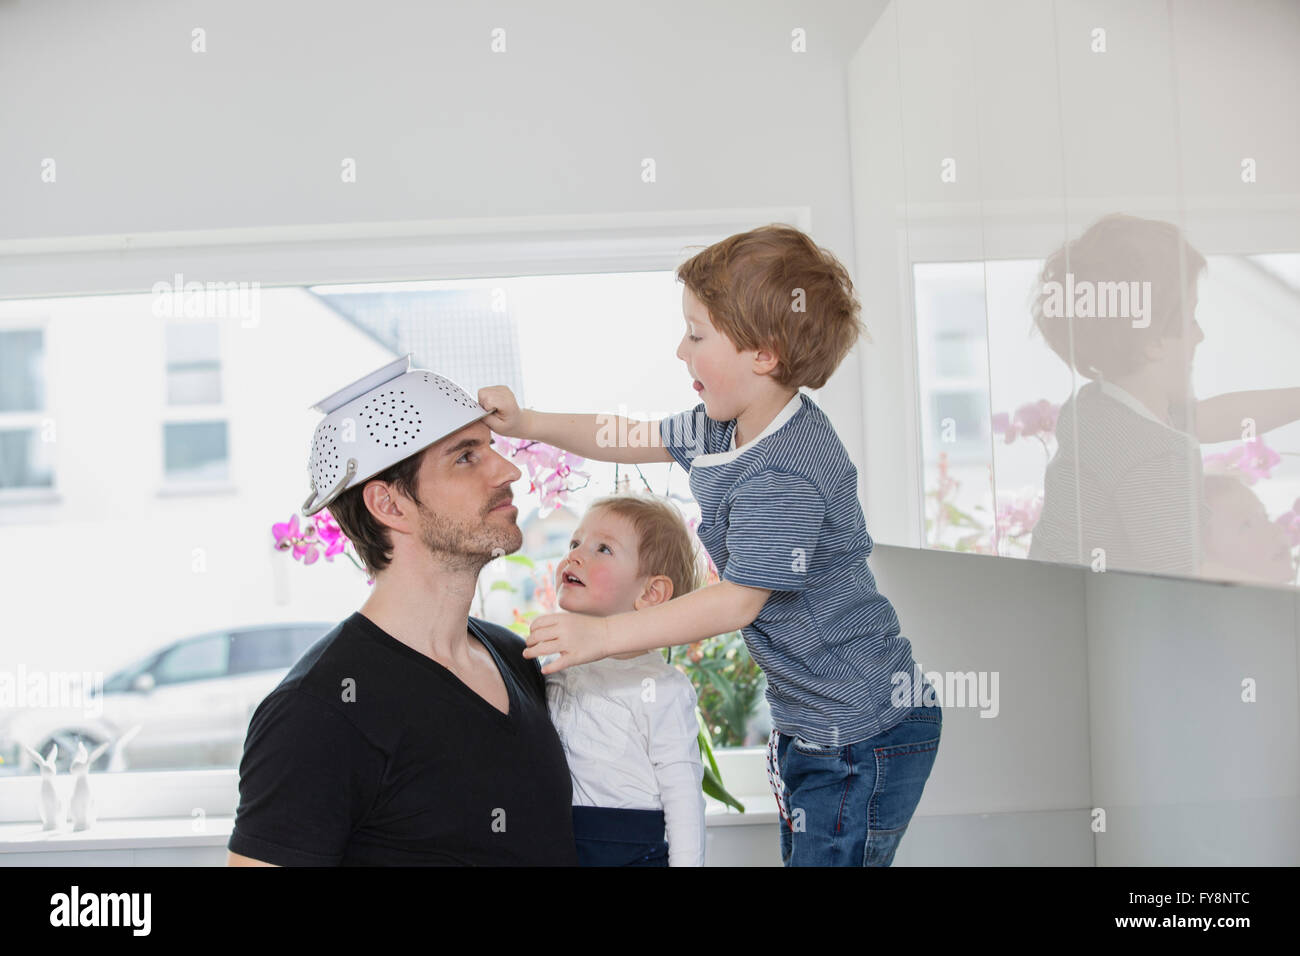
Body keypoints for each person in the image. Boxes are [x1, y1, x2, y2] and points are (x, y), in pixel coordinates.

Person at [480, 224, 942, 867]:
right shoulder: (721, 430)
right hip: (812, 726)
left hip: (863, 731)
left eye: (696, 335)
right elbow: (626, 433)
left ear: (764, 354)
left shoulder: (787, 470)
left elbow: (736, 603)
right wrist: (528, 422)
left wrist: (603, 637)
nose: (679, 350)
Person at [227, 359, 578, 866]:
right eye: (465, 457)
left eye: (491, 449)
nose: (508, 470)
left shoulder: (514, 657)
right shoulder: (317, 713)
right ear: (389, 505)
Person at [544, 493, 707, 866]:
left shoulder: (662, 687)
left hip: (629, 850)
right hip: (554, 841)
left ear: (650, 593)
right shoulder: (554, 664)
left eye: (603, 549)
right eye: (575, 542)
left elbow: (683, 795)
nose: (575, 555)